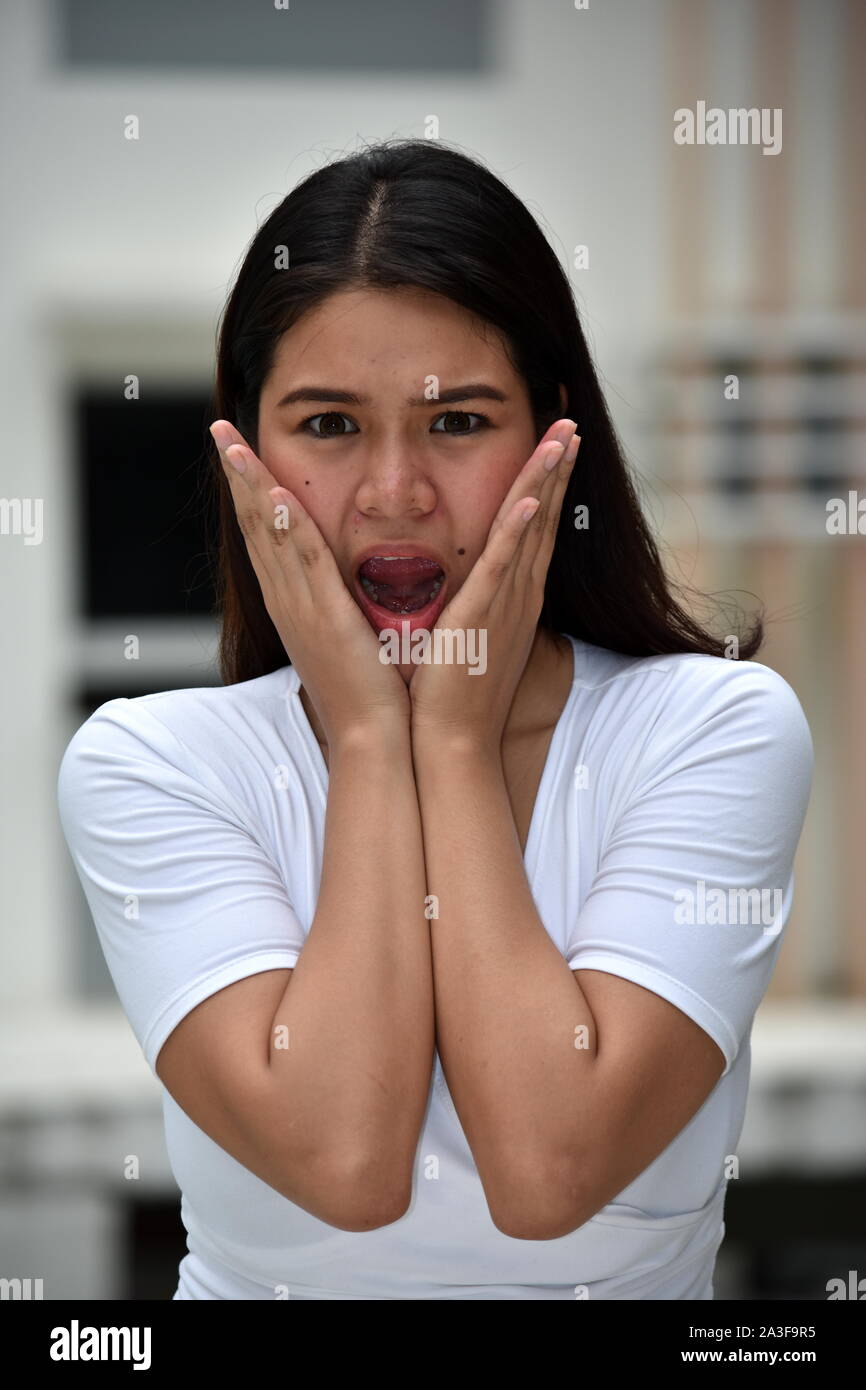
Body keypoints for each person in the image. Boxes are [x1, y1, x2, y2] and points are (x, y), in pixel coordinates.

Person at [56, 137, 813, 1300]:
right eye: (328, 424)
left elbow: (549, 1169)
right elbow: (345, 1164)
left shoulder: (709, 731)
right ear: (245, 453)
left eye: (456, 422)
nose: (394, 493)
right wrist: (370, 741)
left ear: (552, 439)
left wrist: (450, 745)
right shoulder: (153, 764)